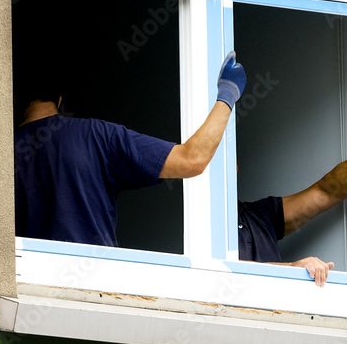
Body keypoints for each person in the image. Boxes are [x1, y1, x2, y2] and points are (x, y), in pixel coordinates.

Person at [15, 51, 247, 248]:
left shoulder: (0, 156)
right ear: (59, 99)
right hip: (94, 290)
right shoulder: (96, 136)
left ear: (14, 99)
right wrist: (228, 93)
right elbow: (192, 160)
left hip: (24, 285)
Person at [238, 128, 347, 287]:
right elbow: (218, 271)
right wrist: (290, 269)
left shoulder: (259, 215)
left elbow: (326, 192)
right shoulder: (210, 230)